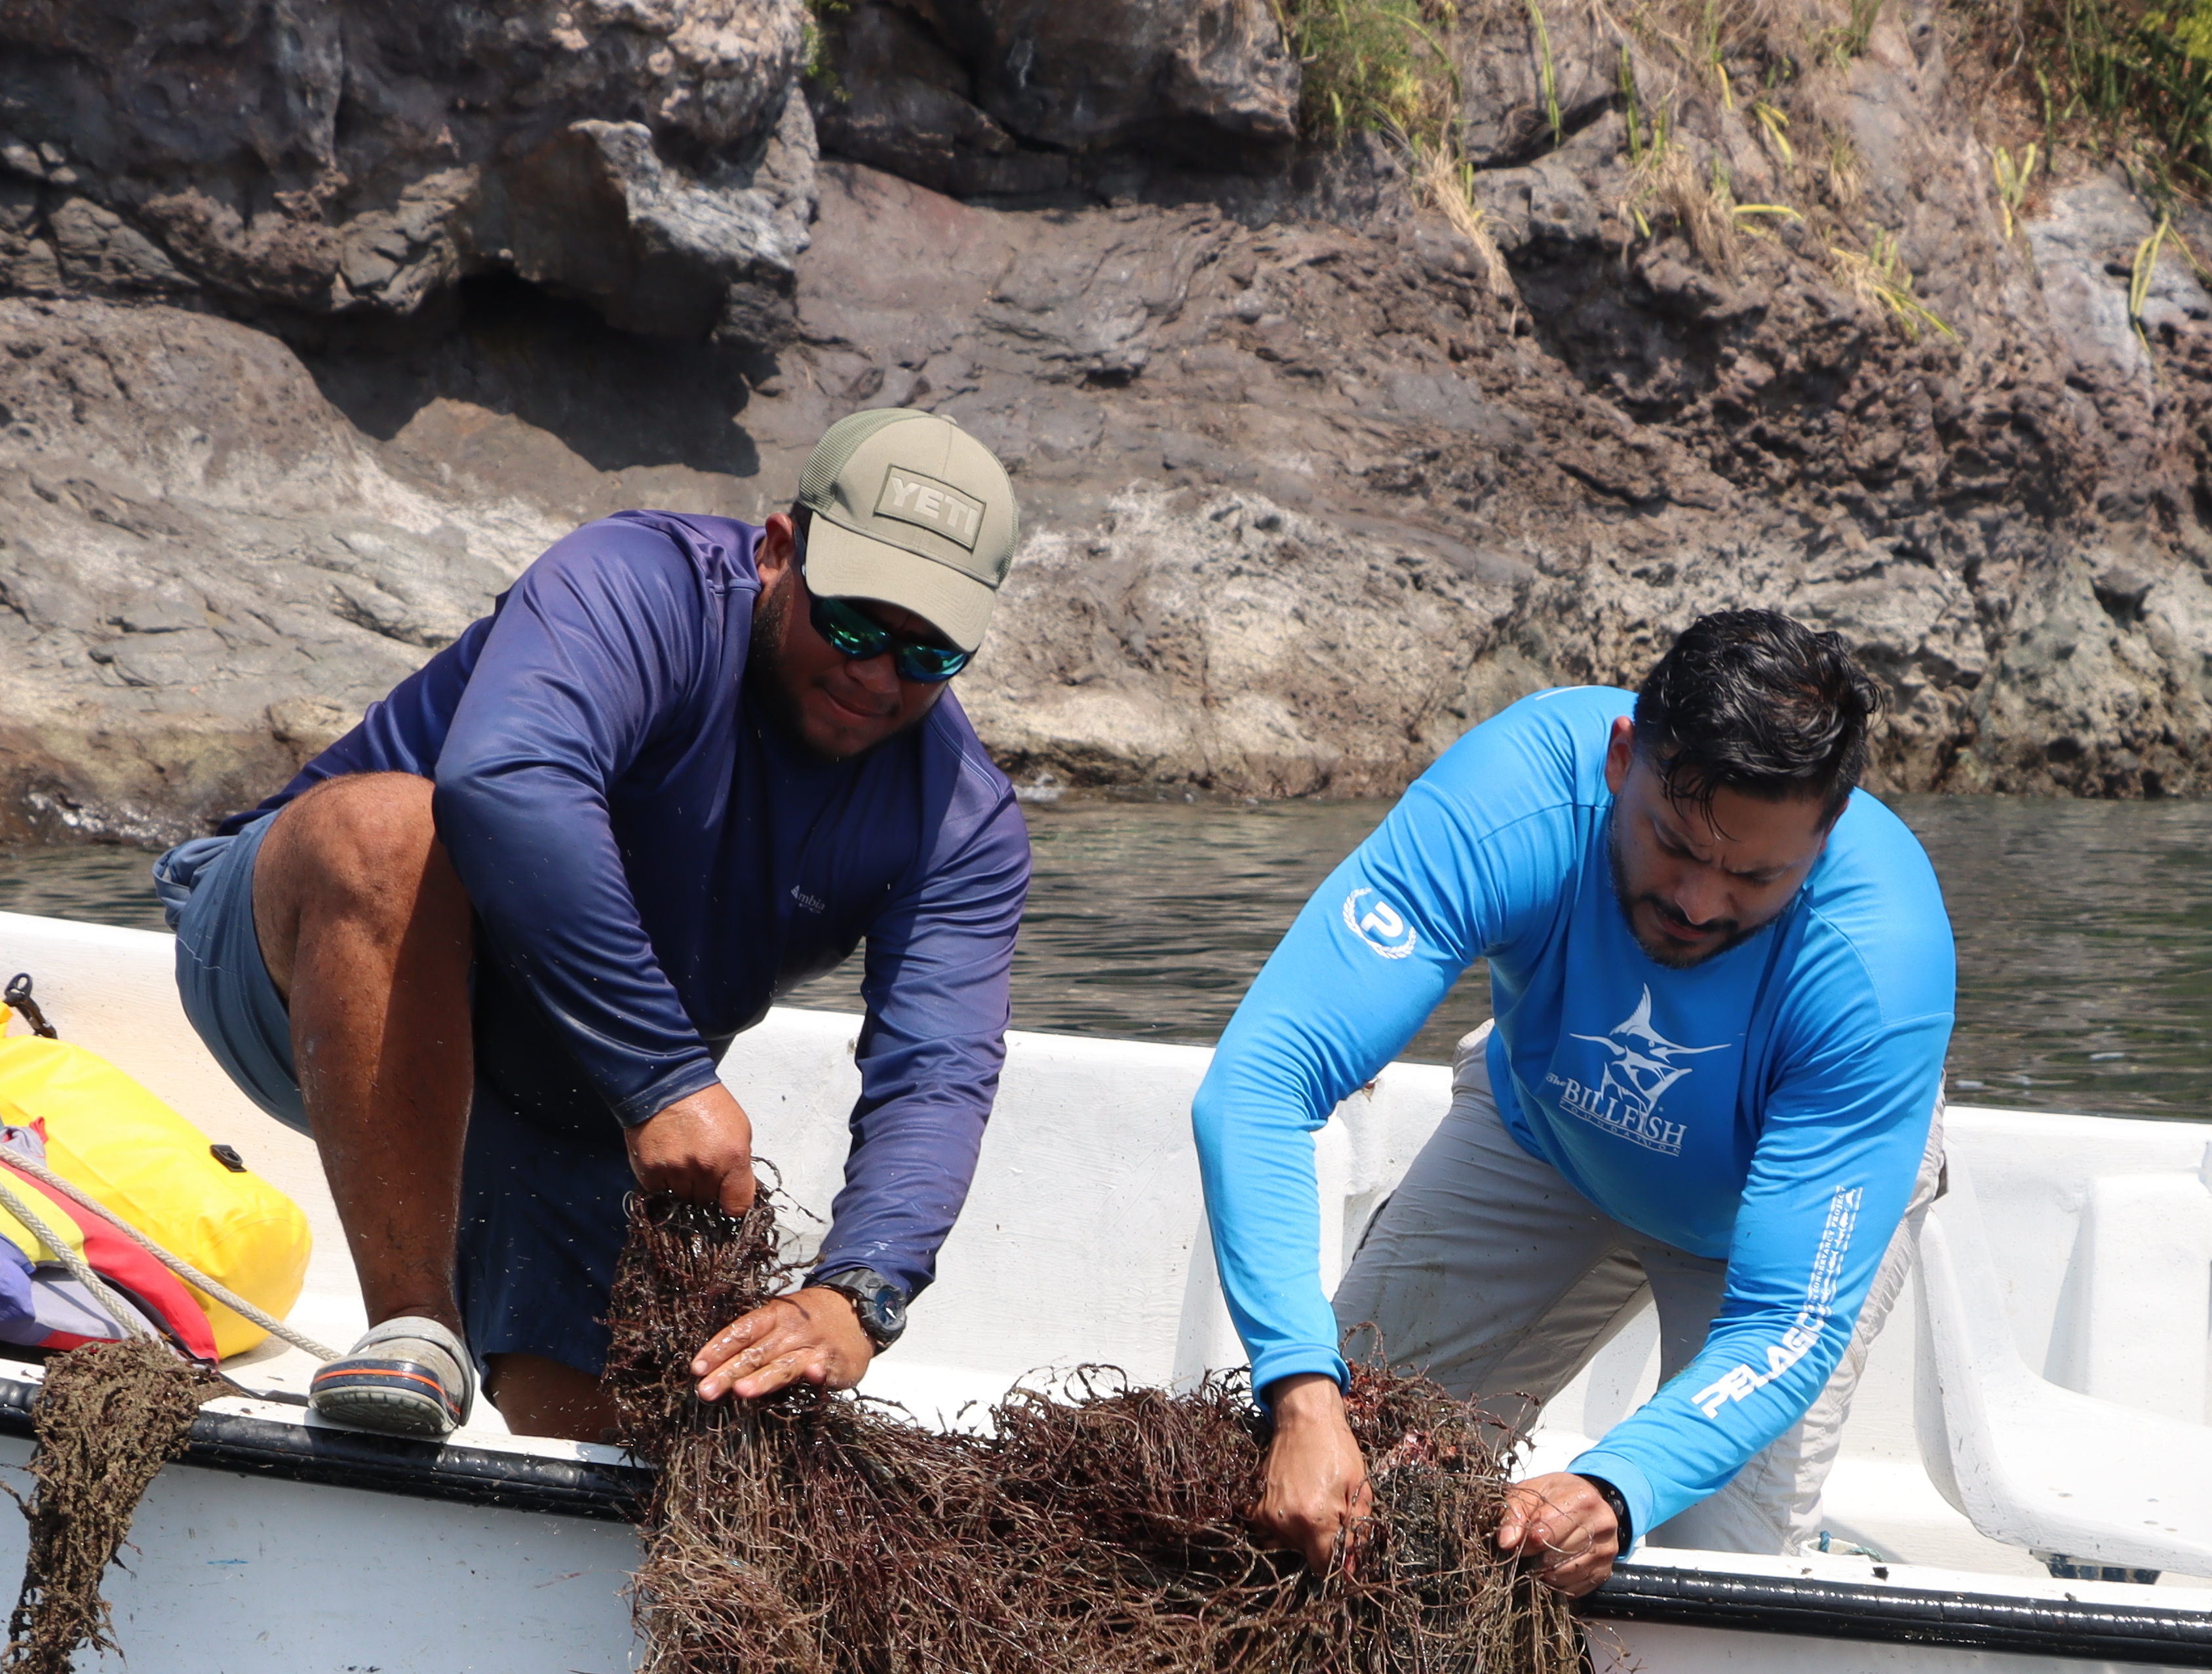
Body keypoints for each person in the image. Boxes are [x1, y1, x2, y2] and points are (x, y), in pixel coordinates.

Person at [153, 409, 1034, 1439]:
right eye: (850, 626)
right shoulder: (635, 581)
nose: (878, 677)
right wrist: (667, 1080)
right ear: (779, 551)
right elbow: (507, 780)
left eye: (928, 655)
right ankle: (412, 1325)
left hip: (568, 1084)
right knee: (391, 826)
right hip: (296, 965)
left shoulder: (966, 824)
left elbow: (936, 1068)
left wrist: (859, 1291)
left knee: (649, 1444)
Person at [1190, 611, 1954, 1597]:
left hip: (1764, 1225)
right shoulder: (1517, 797)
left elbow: (1786, 1324)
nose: (1700, 902)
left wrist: (1619, 1488)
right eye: (1673, 843)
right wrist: (1298, 1390)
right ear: (1621, 759)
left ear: (1827, 832)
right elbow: (1262, 1079)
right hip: (1548, 1131)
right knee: (1345, 1470)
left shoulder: (1878, 963)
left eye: (1757, 875)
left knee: (1708, 1574)